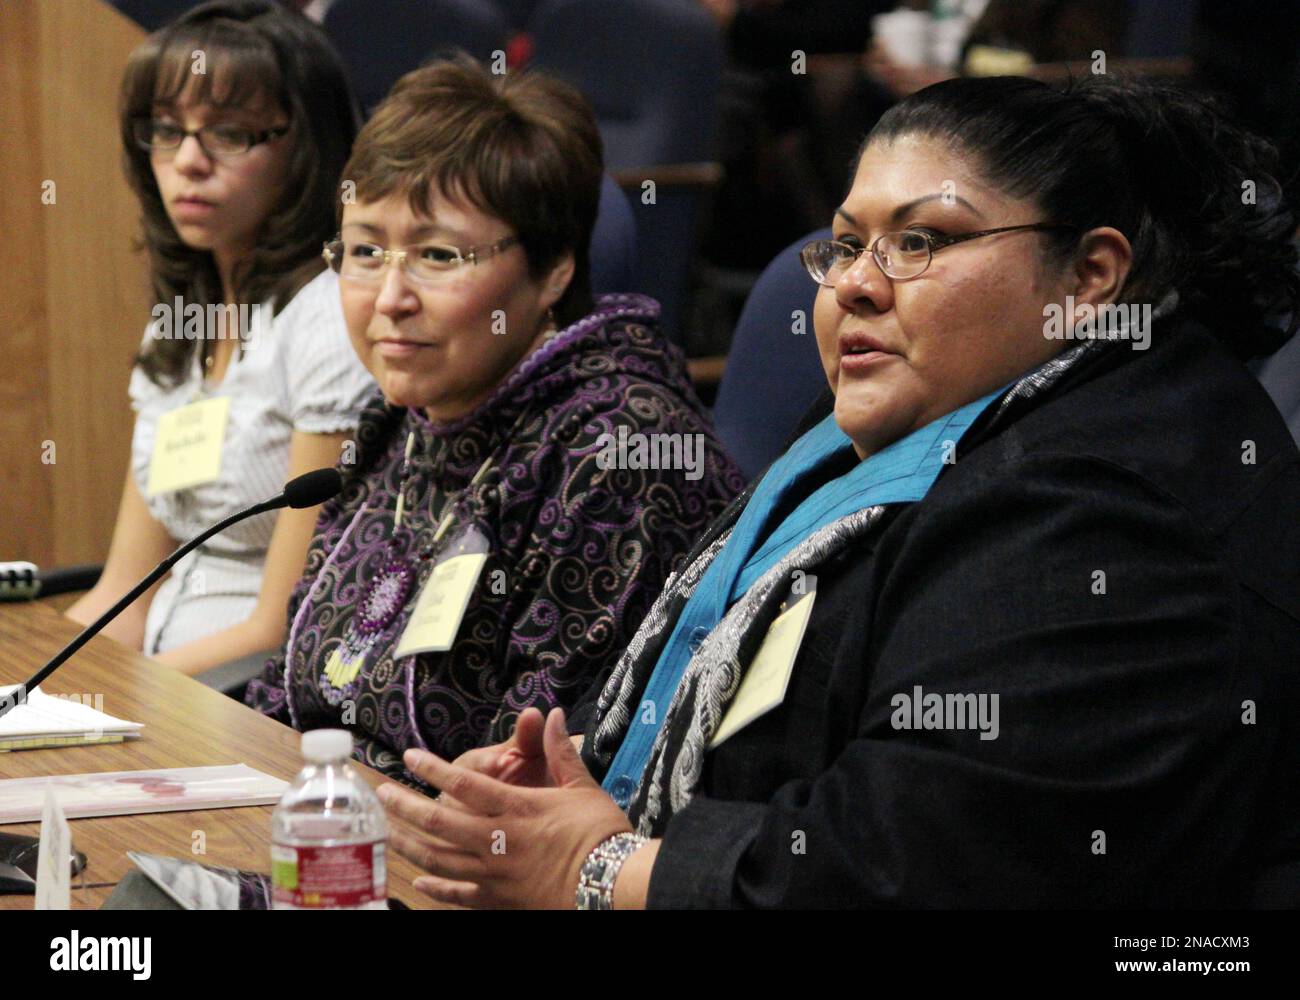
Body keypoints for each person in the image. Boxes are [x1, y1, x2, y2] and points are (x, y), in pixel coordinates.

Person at [377, 75, 1300, 908]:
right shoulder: (913, 421)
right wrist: (572, 775)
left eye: (921, 241)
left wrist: (599, 868)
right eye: (849, 243)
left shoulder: (1113, 509)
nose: (855, 285)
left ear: (1091, 277)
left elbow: (919, 865)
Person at [243, 58, 744, 785]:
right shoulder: (402, 420)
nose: (389, 297)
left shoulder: (625, 460)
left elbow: (527, 783)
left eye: (438, 255)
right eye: (364, 251)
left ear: (553, 272)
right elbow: (289, 691)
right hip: (315, 817)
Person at [68, 1, 375, 675]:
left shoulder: (326, 318)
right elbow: (123, 593)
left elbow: (280, 627)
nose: (189, 162)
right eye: (167, 131)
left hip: (254, 705)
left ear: (305, 147)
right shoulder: (184, 316)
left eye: (229, 134)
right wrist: (33, 690)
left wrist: (115, 698)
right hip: (162, 685)